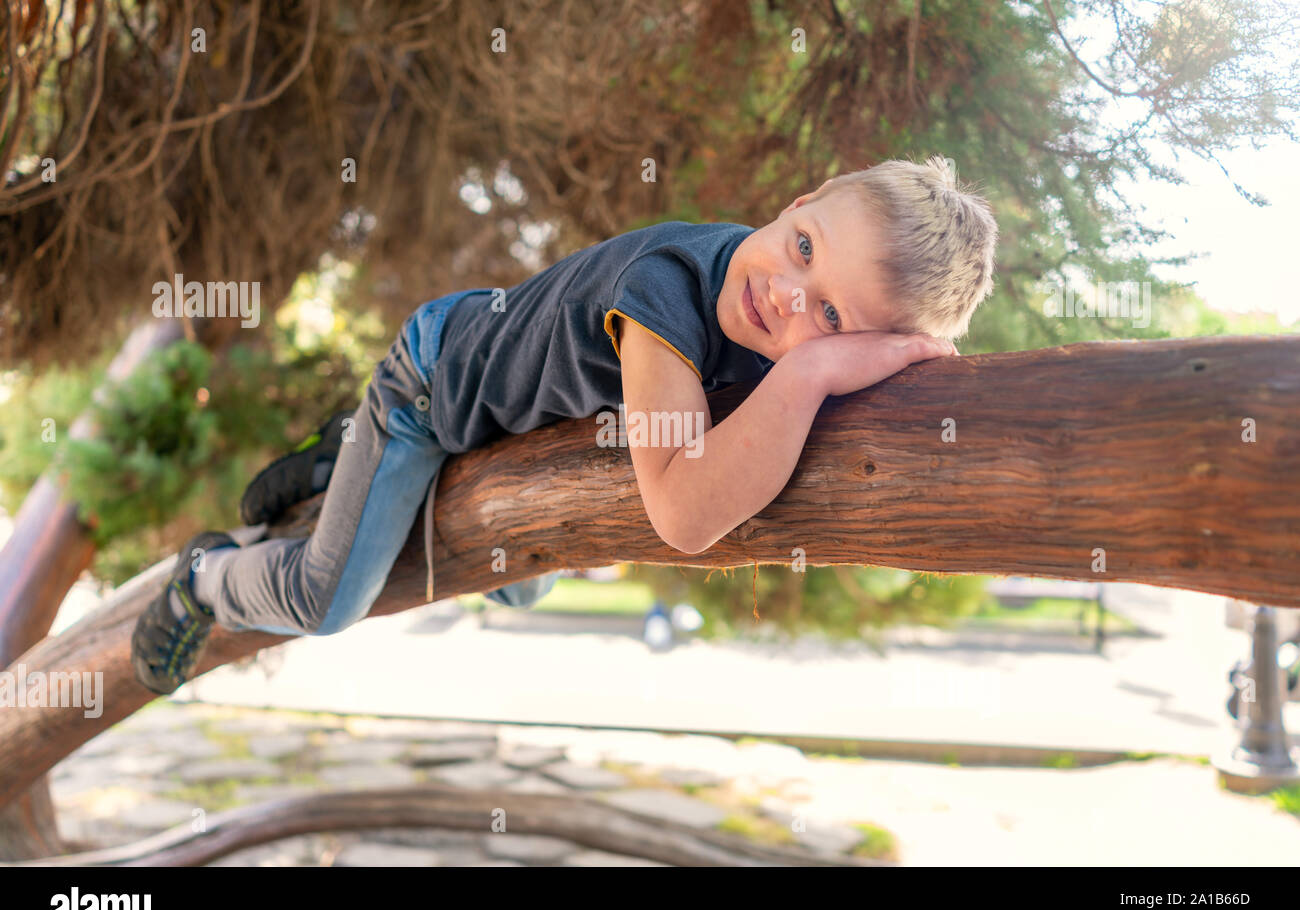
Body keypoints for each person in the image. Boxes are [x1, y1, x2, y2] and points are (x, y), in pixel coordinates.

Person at [131, 155, 998, 695]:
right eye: (803, 247)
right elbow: (685, 513)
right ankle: (205, 571)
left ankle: (336, 459)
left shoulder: (759, 313)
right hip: (432, 387)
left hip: (518, 428)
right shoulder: (667, 290)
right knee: (327, 600)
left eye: (834, 317)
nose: (785, 292)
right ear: (799, 201)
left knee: (520, 581)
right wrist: (814, 365)